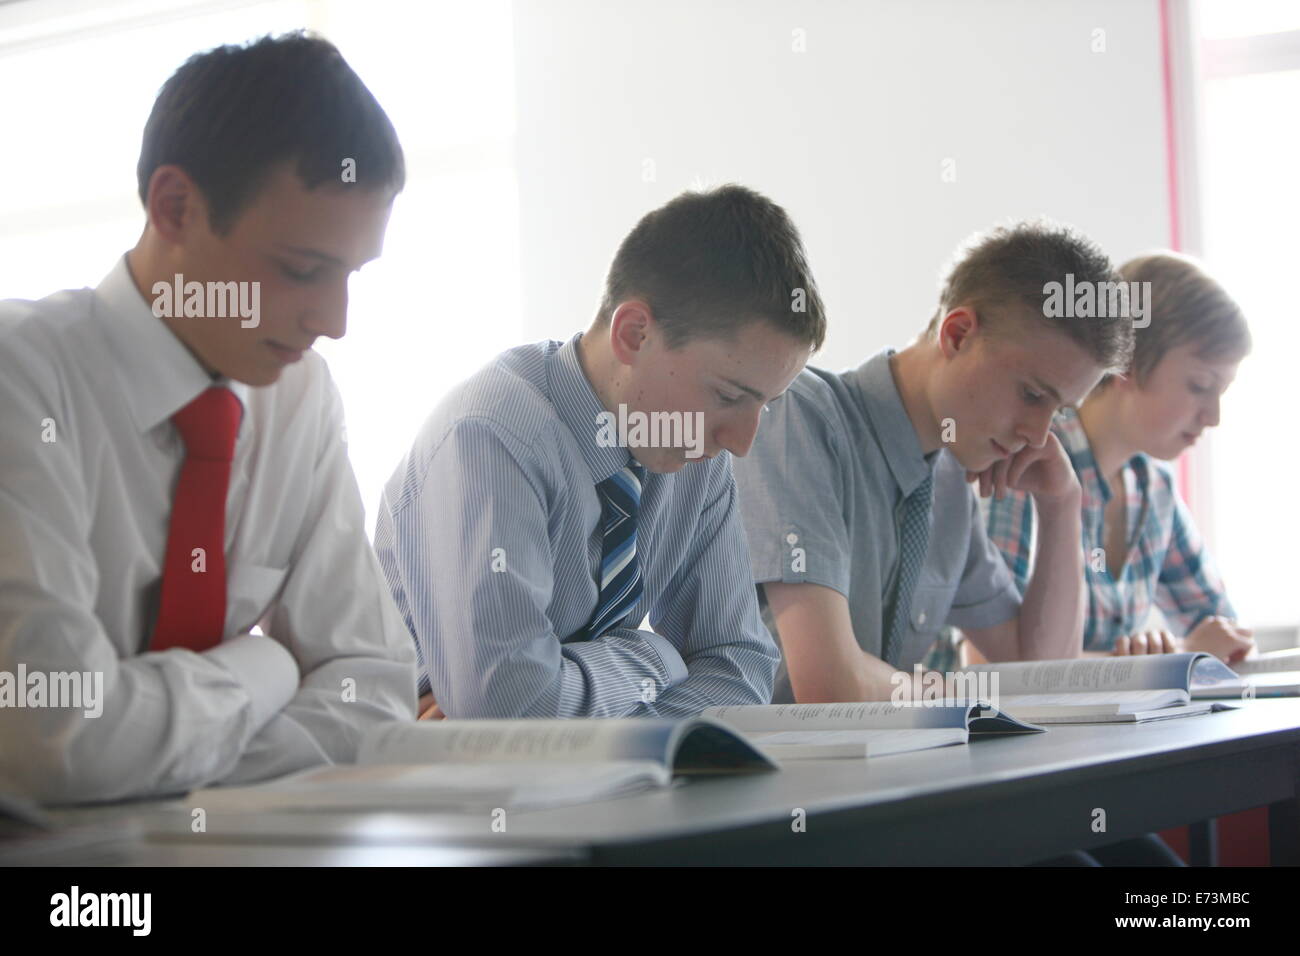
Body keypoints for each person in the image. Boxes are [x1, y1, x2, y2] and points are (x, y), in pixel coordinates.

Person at [0, 33, 417, 805]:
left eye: (352, 275)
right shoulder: (18, 382)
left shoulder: (301, 399)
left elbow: (374, 687)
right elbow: (53, 737)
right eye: (301, 270)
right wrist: (267, 667)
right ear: (175, 208)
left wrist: (161, 753)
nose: (333, 320)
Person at [375, 185, 824, 718]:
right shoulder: (491, 437)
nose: (742, 441)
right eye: (728, 396)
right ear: (633, 334)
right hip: (429, 782)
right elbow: (513, 709)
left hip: (588, 788)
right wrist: (656, 655)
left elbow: (742, 672)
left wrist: (607, 725)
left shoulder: (694, 453)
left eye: (765, 406)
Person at [733, 220, 1134, 703]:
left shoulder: (947, 485)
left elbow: (1041, 679)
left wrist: (1062, 505)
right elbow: (830, 687)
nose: (1038, 434)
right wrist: (962, 694)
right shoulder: (799, 416)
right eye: (1031, 394)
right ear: (959, 333)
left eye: (1059, 411)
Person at [984, 252, 1253, 663]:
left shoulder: (1153, 487)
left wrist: (1190, 652)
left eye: (1223, 391)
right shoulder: (1029, 459)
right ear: (1126, 360)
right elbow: (991, 666)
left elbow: (1226, 638)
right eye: (1200, 385)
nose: (1213, 417)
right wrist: (1173, 657)